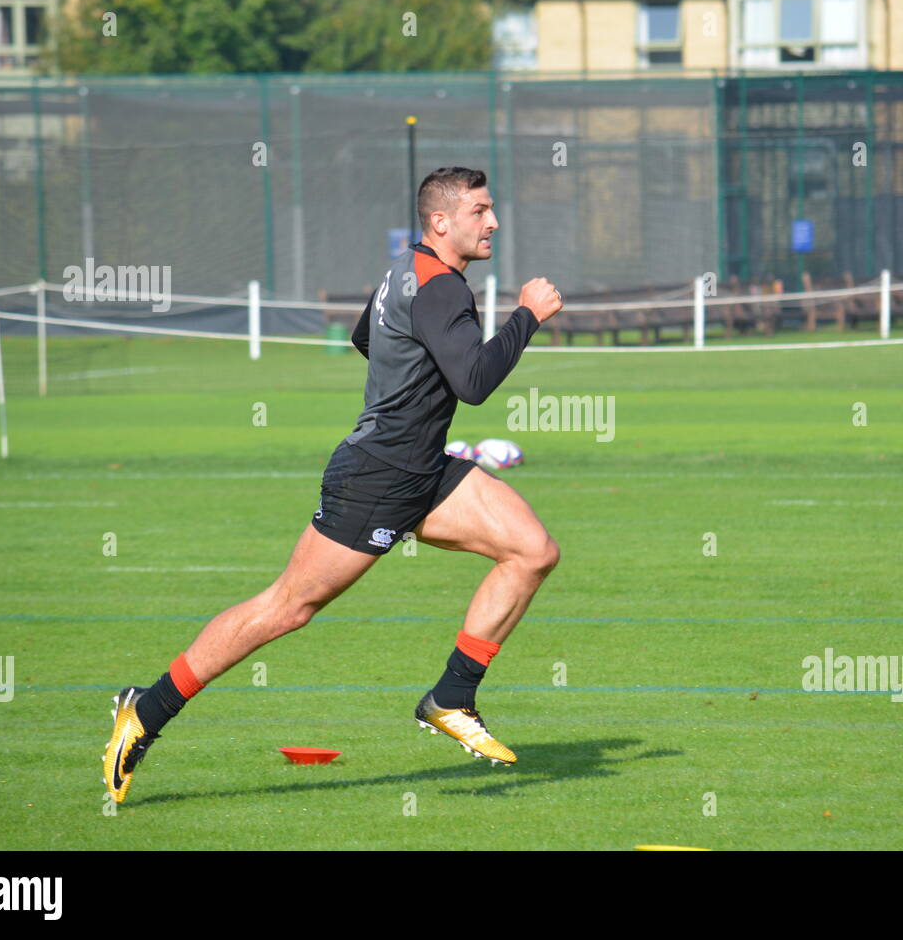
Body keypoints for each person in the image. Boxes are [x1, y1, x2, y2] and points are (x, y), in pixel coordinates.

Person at [103, 167, 563, 803]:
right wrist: (528, 316)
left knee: (532, 550)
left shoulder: (408, 269)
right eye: (481, 210)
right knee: (288, 607)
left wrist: (407, 399)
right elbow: (475, 383)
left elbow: (365, 337)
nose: (492, 222)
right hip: (377, 476)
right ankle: (145, 711)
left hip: (422, 466)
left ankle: (452, 697)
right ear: (442, 221)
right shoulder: (438, 288)